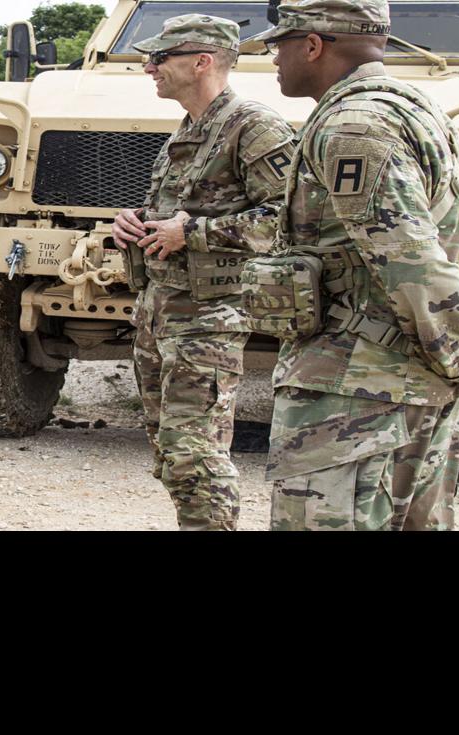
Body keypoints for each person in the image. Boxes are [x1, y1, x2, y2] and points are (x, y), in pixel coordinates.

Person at [244, 0, 459, 530]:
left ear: (313, 45)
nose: (271, 55)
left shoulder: (355, 125)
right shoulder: (417, 109)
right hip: (406, 382)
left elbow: (412, 262)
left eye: (280, 43)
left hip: (359, 391)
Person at [110, 15, 296, 531]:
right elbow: (177, 211)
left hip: (210, 317)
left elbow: (290, 220)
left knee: (195, 454)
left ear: (202, 61)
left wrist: (190, 234)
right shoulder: (190, 129)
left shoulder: (254, 127)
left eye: (161, 57)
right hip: (162, 311)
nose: (149, 67)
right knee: (170, 450)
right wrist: (135, 223)